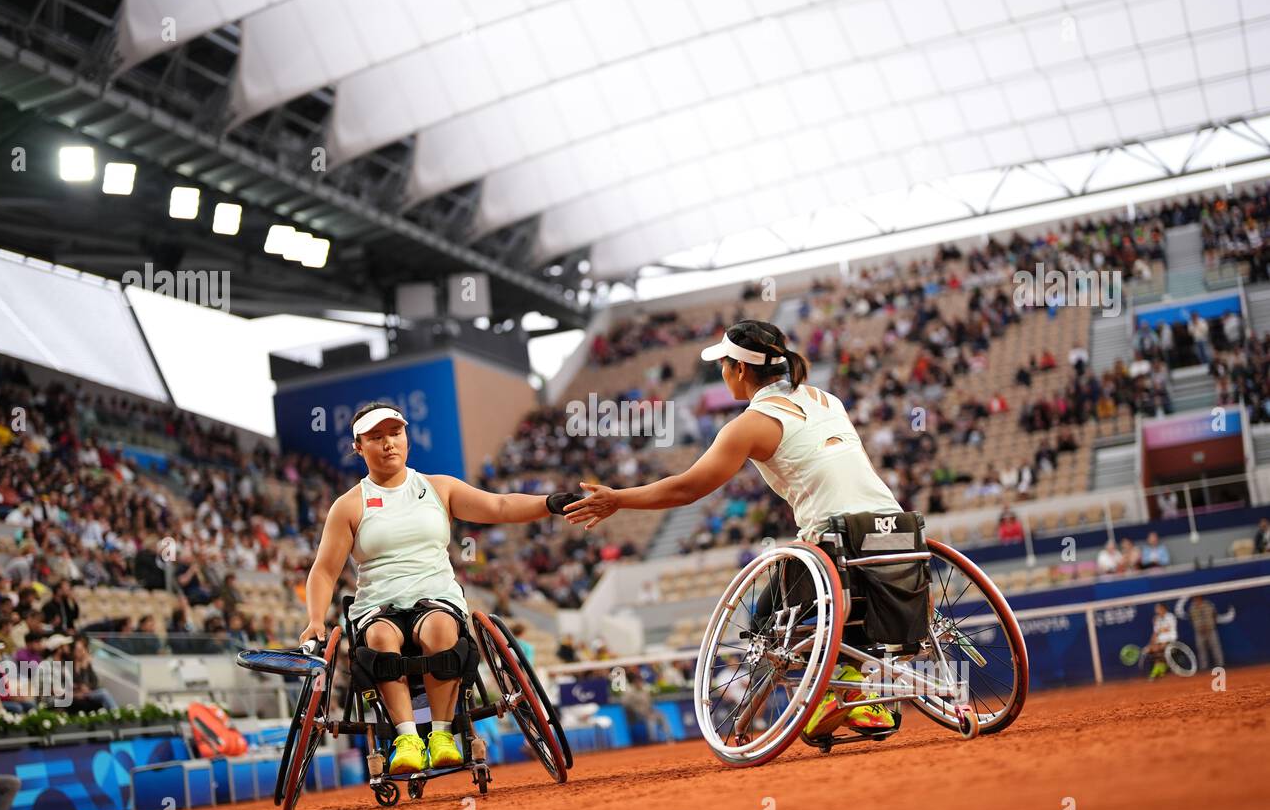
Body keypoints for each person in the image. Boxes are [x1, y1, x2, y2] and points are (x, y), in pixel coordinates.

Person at [566, 320, 902, 734]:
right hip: (898, 532)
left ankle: (843, 691)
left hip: (837, 543)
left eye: (723, 365)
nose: (722, 373)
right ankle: (852, 688)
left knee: (765, 622)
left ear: (739, 370)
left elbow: (687, 488)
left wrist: (618, 498)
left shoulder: (750, 424)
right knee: (830, 597)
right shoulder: (828, 399)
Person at [298, 403, 582, 775]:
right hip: (378, 606)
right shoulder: (349, 505)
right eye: (376, 437)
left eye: (395, 434)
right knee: (381, 637)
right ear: (358, 447)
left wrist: (549, 503)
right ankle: (407, 738)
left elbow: (498, 505)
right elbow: (324, 571)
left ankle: (442, 735)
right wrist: (315, 620)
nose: (388, 444)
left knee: (440, 629)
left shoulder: (438, 488)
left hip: (436, 599)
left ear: (407, 437)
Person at [1187, 594, 1223, 671]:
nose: (1196, 600)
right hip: (1199, 632)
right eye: (1194, 598)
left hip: (1210, 630)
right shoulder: (1192, 607)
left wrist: (1210, 625)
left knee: (1215, 647)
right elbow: (1191, 619)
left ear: (1200, 598)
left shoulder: (1208, 605)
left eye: (1197, 598)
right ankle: (1204, 667)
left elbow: (1214, 615)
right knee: (1201, 649)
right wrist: (1198, 627)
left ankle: (1220, 665)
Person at [1144, 602, 1178, 680]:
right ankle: (1160, 669)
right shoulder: (1157, 619)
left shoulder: (1170, 616)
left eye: (1158, 608)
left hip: (1170, 639)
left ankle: (1157, 670)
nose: (1156, 610)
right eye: (1156, 609)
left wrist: (1160, 629)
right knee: (1152, 649)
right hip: (1160, 641)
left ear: (1163, 608)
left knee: (1159, 648)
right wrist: (1151, 644)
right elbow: (1155, 633)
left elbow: (1168, 628)